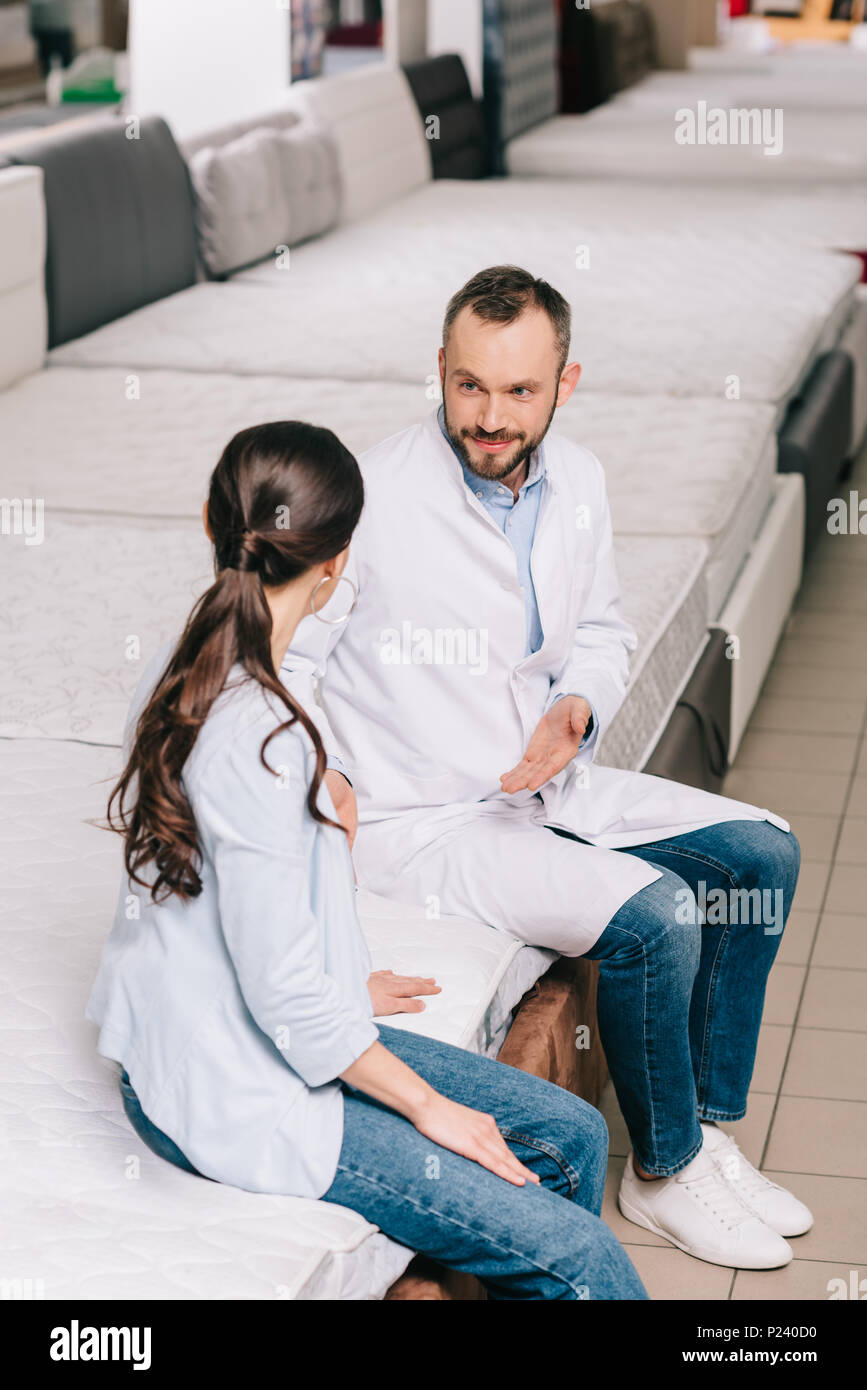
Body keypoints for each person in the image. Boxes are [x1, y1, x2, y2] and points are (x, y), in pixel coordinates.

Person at [282, 267, 810, 1270]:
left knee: (762, 853)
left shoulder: (583, 483)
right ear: (439, 370)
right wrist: (331, 774)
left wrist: (579, 706)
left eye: (519, 391)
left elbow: (601, 633)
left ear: (565, 386)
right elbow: (288, 661)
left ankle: (698, 1132)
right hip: (425, 814)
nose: (488, 415)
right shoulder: (368, 494)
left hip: (542, 775)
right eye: (469, 385)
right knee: (660, 917)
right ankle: (661, 1175)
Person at [85, 419, 647, 1301]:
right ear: (339, 562)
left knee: (571, 1134)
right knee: (586, 1263)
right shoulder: (262, 743)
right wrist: (428, 1104)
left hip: (252, 1019)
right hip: (234, 1084)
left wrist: (340, 973)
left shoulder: (185, 664)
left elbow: (234, 910)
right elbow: (289, 1001)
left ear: (209, 522)